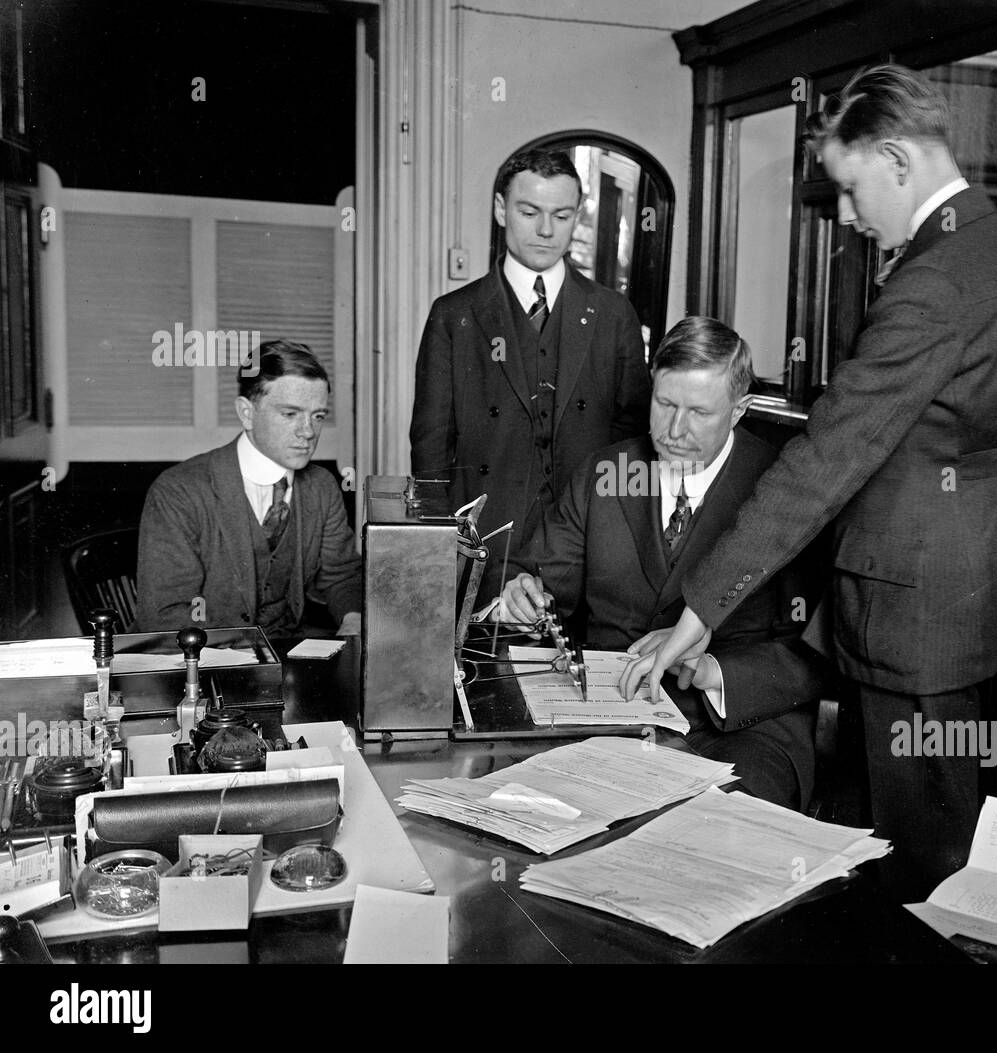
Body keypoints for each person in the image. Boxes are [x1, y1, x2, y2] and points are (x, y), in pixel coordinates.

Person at [620, 65, 997, 896]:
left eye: (852, 190)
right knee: (940, 833)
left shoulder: (932, 281)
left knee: (916, 861)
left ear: (897, 159)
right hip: (972, 587)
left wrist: (701, 606)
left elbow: (824, 458)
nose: (850, 218)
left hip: (911, 609)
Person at [496, 316, 828, 810]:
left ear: (739, 411)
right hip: (613, 719)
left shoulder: (786, 491)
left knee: (720, 837)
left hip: (740, 731)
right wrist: (518, 593)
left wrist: (712, 669)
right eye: (665, 404)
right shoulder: (606, 473)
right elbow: (538, 578)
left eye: (698, 413)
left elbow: (817, 650)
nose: (675, 431)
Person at [410, 147, 651, 590]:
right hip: (485, 546)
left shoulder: (613, 314)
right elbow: (430, 449)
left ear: (577, 215)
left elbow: (631, 443)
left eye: (561, 216)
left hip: (585, 549)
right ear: (502, 210)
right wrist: (438, 551)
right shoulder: (454, 315)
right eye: (529, 212)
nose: (545, 230)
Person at [133, 340, 362, 638]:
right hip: (198, 662)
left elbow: (341, 576)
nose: (308, 432)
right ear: (246, 413)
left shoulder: (321, 486)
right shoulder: (179, 491)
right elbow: (166, 615)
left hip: (284, 656)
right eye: (290, 414)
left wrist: (353, 617)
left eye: (317, 416)